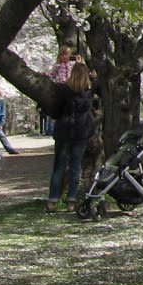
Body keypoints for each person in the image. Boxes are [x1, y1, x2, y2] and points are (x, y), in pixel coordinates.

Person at [46, 62, 96, 213]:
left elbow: (55, 111)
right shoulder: (88, 93)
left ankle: (52, 201)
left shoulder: (63, 90)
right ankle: (71, 201)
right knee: (75, 167)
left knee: (59, 167)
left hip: (64, 131)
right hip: (81, 133)